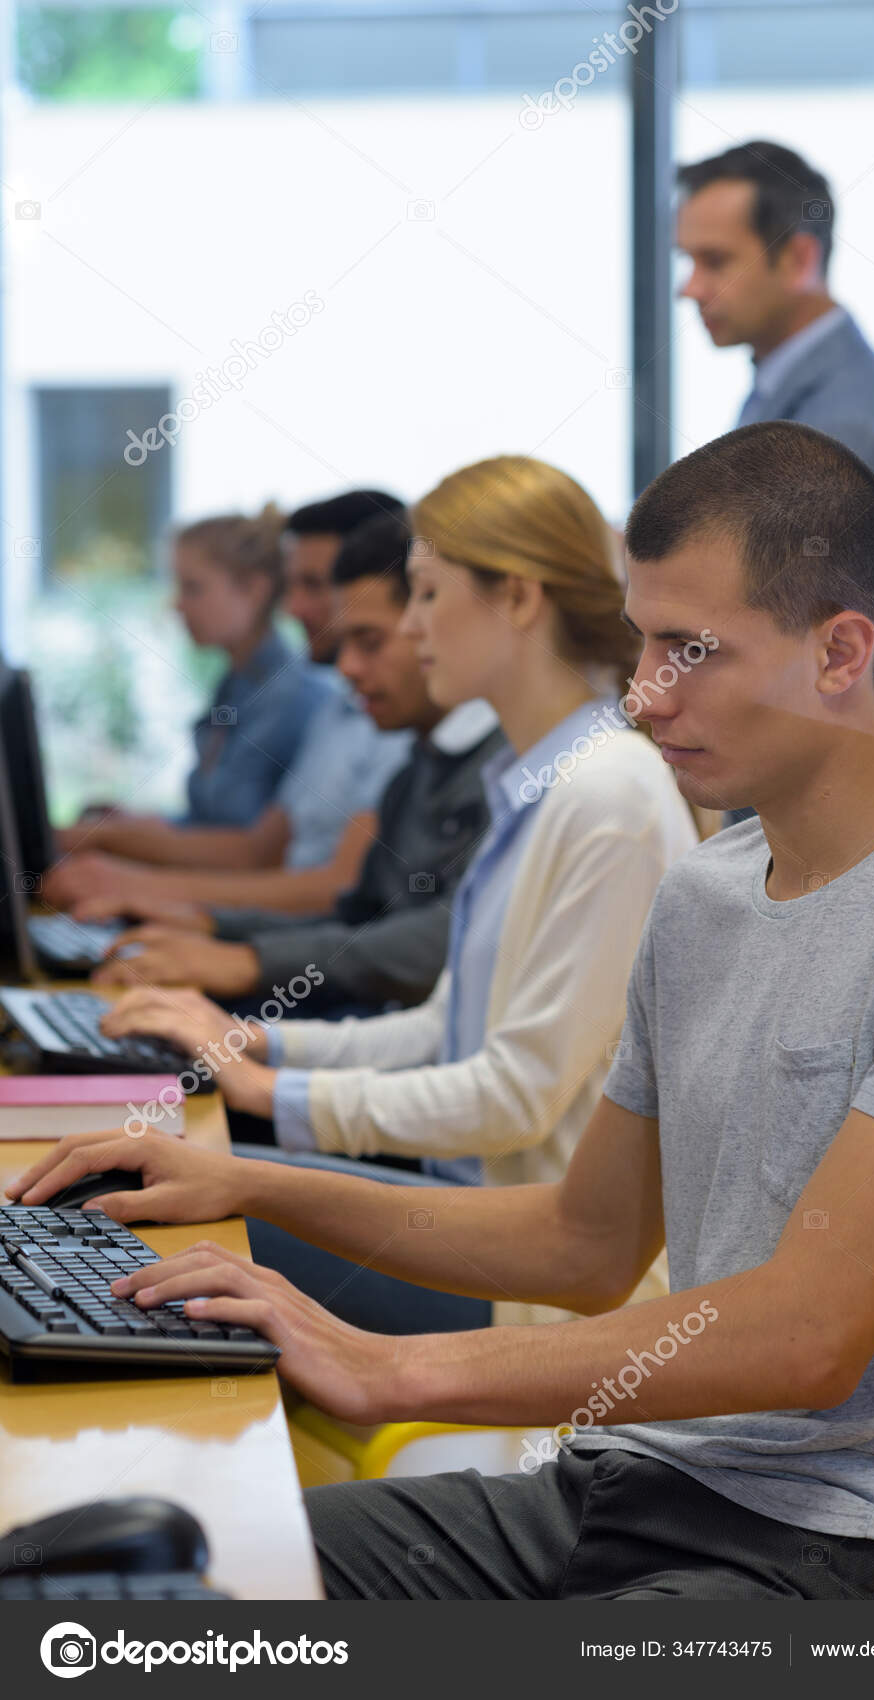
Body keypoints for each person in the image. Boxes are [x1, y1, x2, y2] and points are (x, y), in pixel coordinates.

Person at [16, 423, 874, 1602]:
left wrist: (392, 1366)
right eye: (643, 642)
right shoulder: (709, 889)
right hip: (634, 1481)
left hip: (853, 1550)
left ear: (841, 650)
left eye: (689, 650)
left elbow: (811, 1333)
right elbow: (587, 1240)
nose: (644, 693)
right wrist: (253, 1184)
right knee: (151, 1591)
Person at [39, 455, 697, 1339]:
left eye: (426, 594)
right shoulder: (540, 782)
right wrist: (253, 1040)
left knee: (151, 1212)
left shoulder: (607, 797)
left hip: (526, 1273)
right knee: (144, 1194)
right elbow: (442, 1026)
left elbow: (514, 1095)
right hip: (468, 1208)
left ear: (517, 596)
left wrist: (273, 1093)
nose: (412, 625)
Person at [86, 515, 506, 1012]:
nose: (345, 666)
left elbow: (441, 944)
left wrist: (246, 961)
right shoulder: (416, 761)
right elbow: (357, 917)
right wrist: (215, 927)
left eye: (369, 642)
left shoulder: (500, 767)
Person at [677, 138, 874, 825]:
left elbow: (779, 628)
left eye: (714, 261)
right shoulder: (786, 383)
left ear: (801, 258)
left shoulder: (844, 423)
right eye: (688, 260)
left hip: (810, 787)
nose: (690, 286)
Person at [47, 494, 413, 895]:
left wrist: (124, 863)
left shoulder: (307, 698)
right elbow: (263, 846)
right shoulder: (333, 706)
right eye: (293, 585)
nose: (293, 608)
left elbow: (285, 868)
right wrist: (128, 839)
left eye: (193, 587)